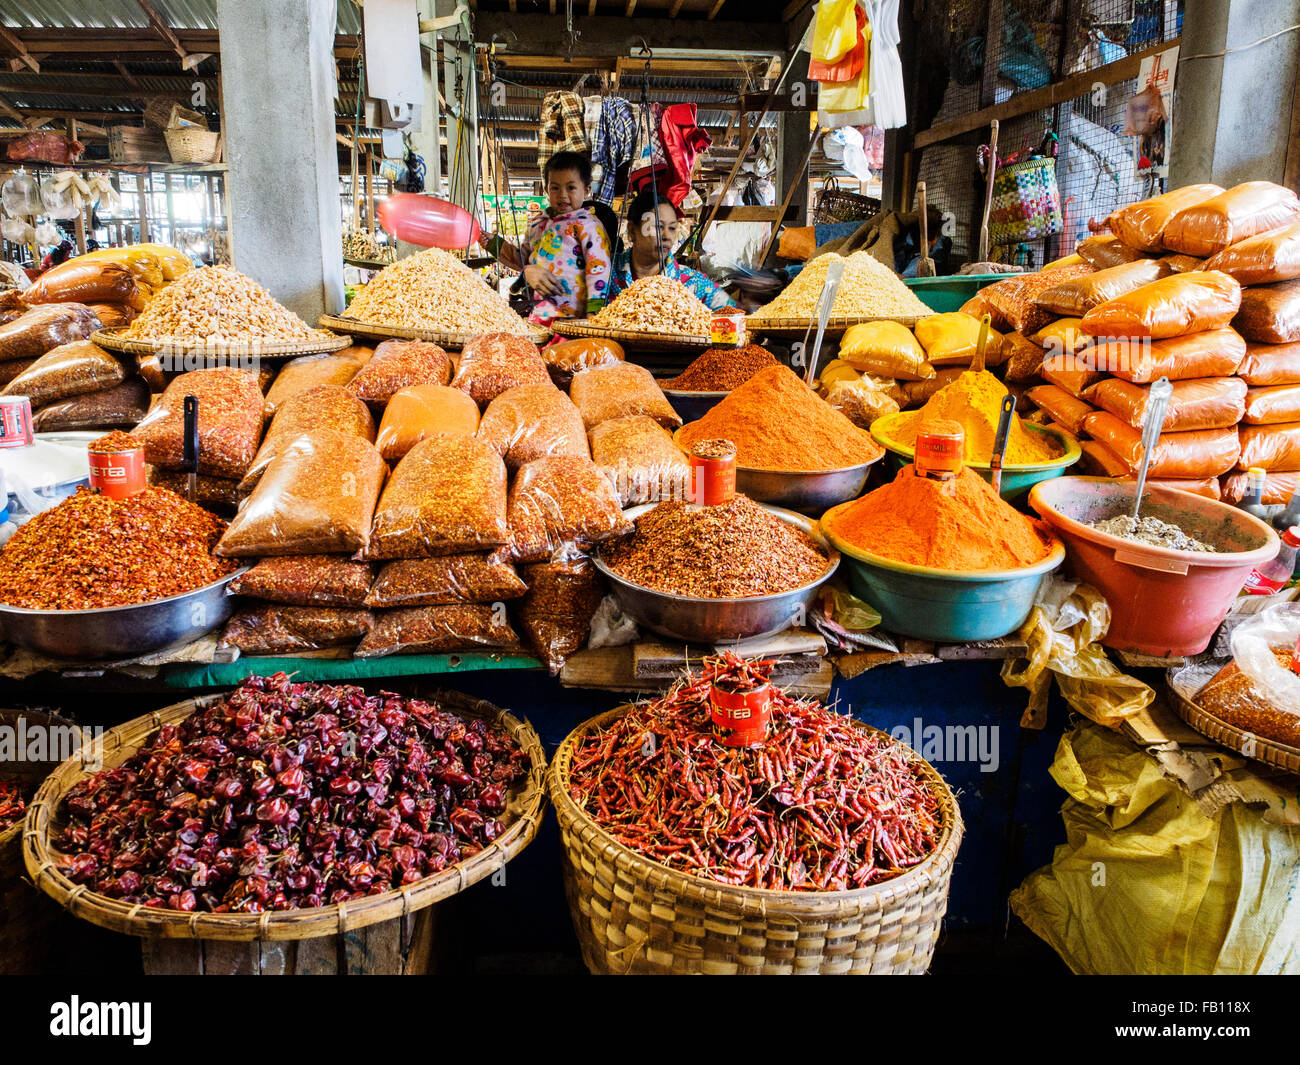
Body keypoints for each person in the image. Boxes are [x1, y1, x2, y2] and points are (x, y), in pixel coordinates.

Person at [483, 151, 612, 325]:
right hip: (540, 314)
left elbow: (599, 268)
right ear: (546, 190)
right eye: (555, 188)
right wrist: (493, 243)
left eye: (571, 188)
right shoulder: (538, 225)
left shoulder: (589, 226)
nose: (563, 195)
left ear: (587, 190)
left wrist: (594, 313)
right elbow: (522, 260)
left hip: (575, 320)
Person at [608, 187, 736, 310]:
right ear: (632, 231)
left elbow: (735, 316)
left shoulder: (694, 284)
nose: (667, 236)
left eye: (672, 228)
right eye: (658, 226)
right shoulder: (604, 275)